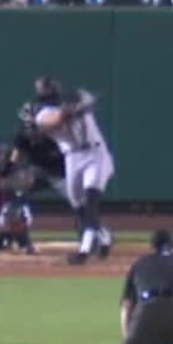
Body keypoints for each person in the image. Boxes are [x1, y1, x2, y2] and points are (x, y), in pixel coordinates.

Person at [30, 74, 114, 265]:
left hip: (96, 155)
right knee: (79, 208)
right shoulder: (42, 115)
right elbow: (56, 120)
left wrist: (80, 105)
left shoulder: (75, 97)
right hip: (72, 158)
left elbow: (83, 101)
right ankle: (103, 237)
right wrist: (72, 110)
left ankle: (83, 251)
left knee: (91, 200)